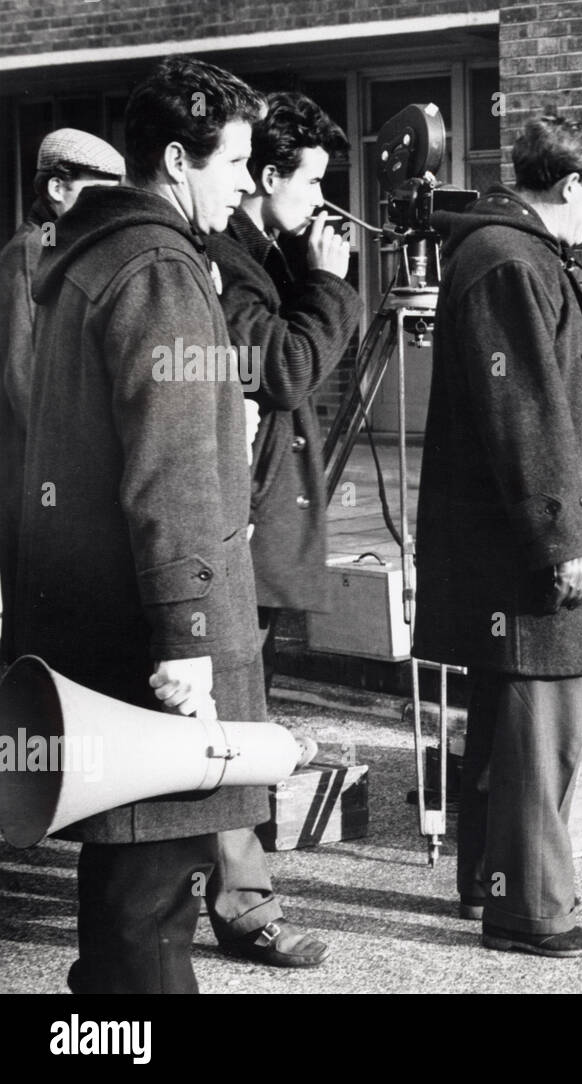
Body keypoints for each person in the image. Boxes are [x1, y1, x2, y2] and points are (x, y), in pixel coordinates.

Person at [14, 56, 267, 993]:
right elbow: (172, 473)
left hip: (97, 619)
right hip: (153, 639)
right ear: (175, 157)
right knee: (152, 905)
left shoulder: (92, 259)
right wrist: (191, 632)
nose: (246, 182)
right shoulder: (160, 267)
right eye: (235, 160)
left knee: (126, 892)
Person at [413, 114, 582, 957]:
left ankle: (488, 887)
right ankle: (532, 910)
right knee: (542, 733)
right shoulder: (514, 260)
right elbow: (527, 416)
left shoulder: (503, 253)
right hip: (525, 555)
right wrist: (562, 538)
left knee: (508, 731)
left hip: (501, 544)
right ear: (570, 186)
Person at [204, 90, 359, 968]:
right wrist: (329, 283)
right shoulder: (226, 261)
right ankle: (242, 902)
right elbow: (285, 368)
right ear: (266, 176)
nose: (321, 205)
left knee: (237, 704)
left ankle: (226, 886)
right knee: (233, 710)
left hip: (248, 521)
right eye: (312, 184)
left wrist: (312, 271)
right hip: (228, 526)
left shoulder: (263, 253)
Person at [0, 129, 124, 665]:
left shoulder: (58, 246)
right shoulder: (35, 249)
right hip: (37, 475)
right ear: (57, 188)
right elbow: (24, 378)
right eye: (98, 191)